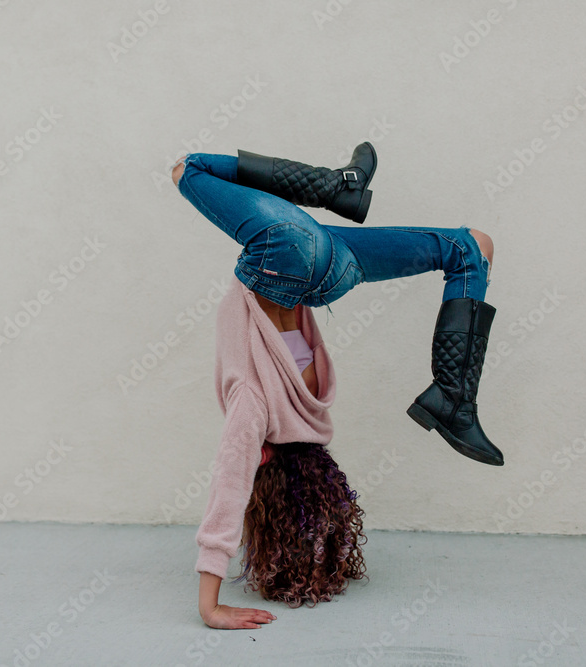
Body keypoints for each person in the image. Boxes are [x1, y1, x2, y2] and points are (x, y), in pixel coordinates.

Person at [170, 142, 498, 630]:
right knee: (187, 169)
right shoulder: (254, 407)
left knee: (473, 246)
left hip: (334, 271)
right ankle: (337, 185)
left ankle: (453, 394)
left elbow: (236, 483)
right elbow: (229, 488)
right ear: (264, 458)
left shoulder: (311, 415)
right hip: (285, 252)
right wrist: (209, 605)